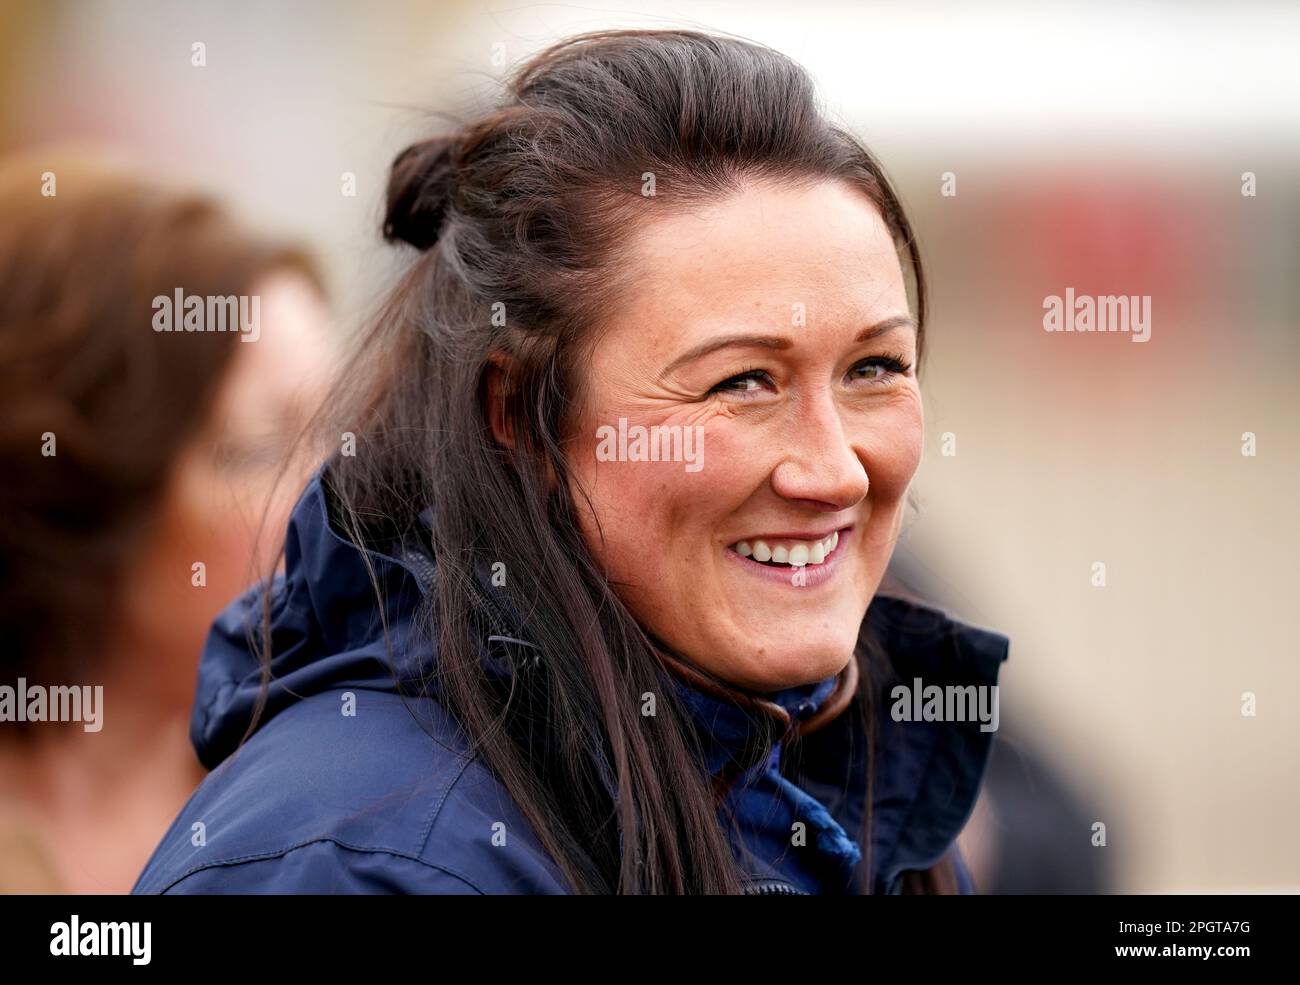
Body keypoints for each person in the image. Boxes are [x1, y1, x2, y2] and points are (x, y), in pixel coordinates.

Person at [133, 28, 1009, 895]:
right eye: (743, 382)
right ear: (518, 413)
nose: (836, 472)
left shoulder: (824, 785)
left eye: (876, 368)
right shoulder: (366, 862)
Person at [0, 151, 336, 892]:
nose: (334, 496)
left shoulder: (346, 804)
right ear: (76, 482)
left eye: (339, 435)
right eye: (259, 450)